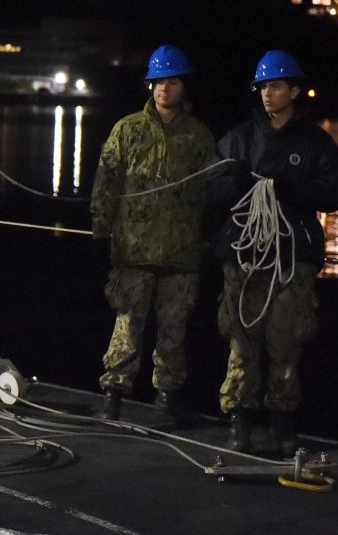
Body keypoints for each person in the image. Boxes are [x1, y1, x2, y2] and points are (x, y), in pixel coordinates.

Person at [209, 50, 338, 455]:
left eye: (275, 86)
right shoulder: (239, 138)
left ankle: (283, 422)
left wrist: (292, 188)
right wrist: (231, 184)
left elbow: (336, 193)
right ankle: (239, 417)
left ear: (294, 91)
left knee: (286, 340)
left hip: (292, 255)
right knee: (241, 337)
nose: (267, 94)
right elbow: (210, 189)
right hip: (244, 253)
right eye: (262, 87)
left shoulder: (315, 141)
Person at [90, 45, 215, 421]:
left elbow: (214, 192)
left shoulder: (198, 136)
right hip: (134, 250)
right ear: (149, 86)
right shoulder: (127, 130)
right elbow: (105, 183)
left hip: (182, 254)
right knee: (127, 326)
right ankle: (113, 396)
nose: (164, 88)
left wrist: (208, 239)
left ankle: (165, 401)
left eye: (172, 80)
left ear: (183, 86)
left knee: (174, 332)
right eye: (158, 81)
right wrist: (101, 230)